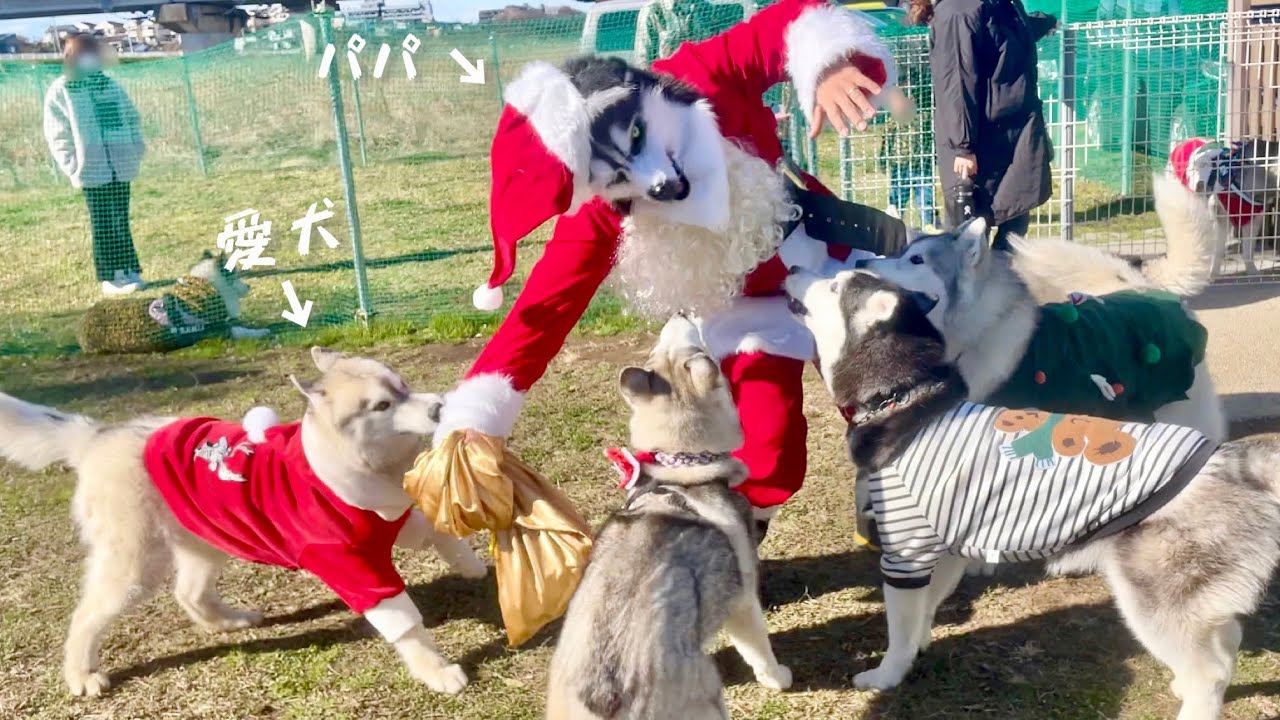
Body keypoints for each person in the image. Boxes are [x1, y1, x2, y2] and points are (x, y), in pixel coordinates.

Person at [428, 0, 904, 539]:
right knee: (769, 445)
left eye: (635, 141)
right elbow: (542, 312)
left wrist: (832, 63)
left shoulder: (700, 76)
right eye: (618, 179)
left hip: (821, 263)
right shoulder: (600, 220)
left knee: (889, 392)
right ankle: (740, 538)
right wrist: (475, 419)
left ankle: (908, 488)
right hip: (743, 311)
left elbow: (787, 25)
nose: (658, 181)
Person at [910, 0, 1057, 251]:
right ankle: (974, 287)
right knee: (971, 240)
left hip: (1011, 138)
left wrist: (1043, 24)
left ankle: (1000, 283)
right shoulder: (958, 12)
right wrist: (962, 146)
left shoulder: (997, 4)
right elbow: (957, 82)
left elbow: (1003, 36)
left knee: (1016, 222)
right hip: (981, 144)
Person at [43, 33, 147, 295]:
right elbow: (58, 133)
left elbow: (131, 118)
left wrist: (135, 148)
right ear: (71, 57)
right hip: (92, 169)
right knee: (102, 221)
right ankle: (110, 277)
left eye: (93, 52)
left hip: (121, 166)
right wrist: (73, 165)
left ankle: (129, 268)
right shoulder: (62, 90)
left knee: (120, 219)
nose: (89, 58)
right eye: (83, 53)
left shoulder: (110, 86)